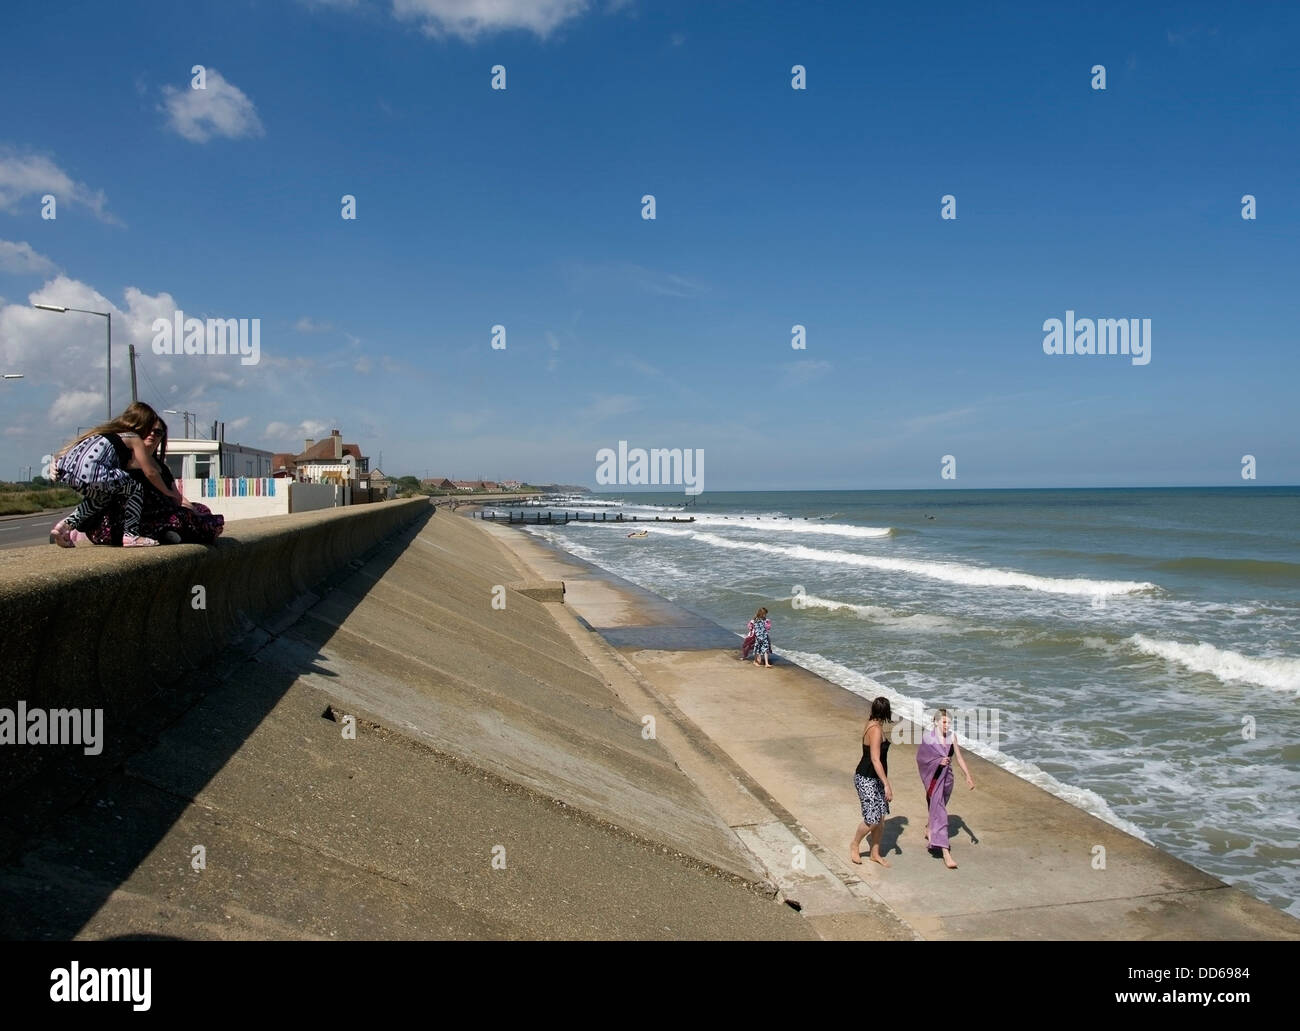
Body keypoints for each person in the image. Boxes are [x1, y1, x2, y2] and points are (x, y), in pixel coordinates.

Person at [49, 403, 187, 548]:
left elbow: (74, 453)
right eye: (149, 427)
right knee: (135, 488)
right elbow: (150, 472)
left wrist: (56, 463)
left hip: (70, 473)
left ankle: (64, 527)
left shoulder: (103, 435)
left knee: (101, 498)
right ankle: (130, 535)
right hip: (93, 472)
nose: (151, 433)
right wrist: (168, 492)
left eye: (157, 432)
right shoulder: (133, 438)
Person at [75, 420, 224, 546]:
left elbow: (177, 497)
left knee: (200, 510)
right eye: (148, 430)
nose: (152, 434)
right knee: (180, 519)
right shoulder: (124, 459)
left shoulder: (161, 466)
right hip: (123, 519)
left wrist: (195, 512)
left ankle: (168, 532)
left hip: (158, 512)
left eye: (158, 432)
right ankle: (166, 532)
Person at [916, 708, 975, 869]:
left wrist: (968, 776)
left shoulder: (952, 737)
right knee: (941, 812)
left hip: (948, 778)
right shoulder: (928, 738)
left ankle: (929, 827)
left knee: (938, 806)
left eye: (949, 722)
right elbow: (921, 759)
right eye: (944, 722)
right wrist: (937, 762)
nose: (947, 725)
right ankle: (945, 851)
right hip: (934, 778)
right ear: (935, 722)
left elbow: (960, 757)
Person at [850, 696, 894, 867]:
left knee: (881, 819)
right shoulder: (875, 729)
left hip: (875, 778)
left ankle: (875, 853)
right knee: (872, 819)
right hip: (866, 778)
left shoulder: (874, 723)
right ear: (886, 712)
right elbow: (875, 759)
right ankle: (854, 844)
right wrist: (887, 784)